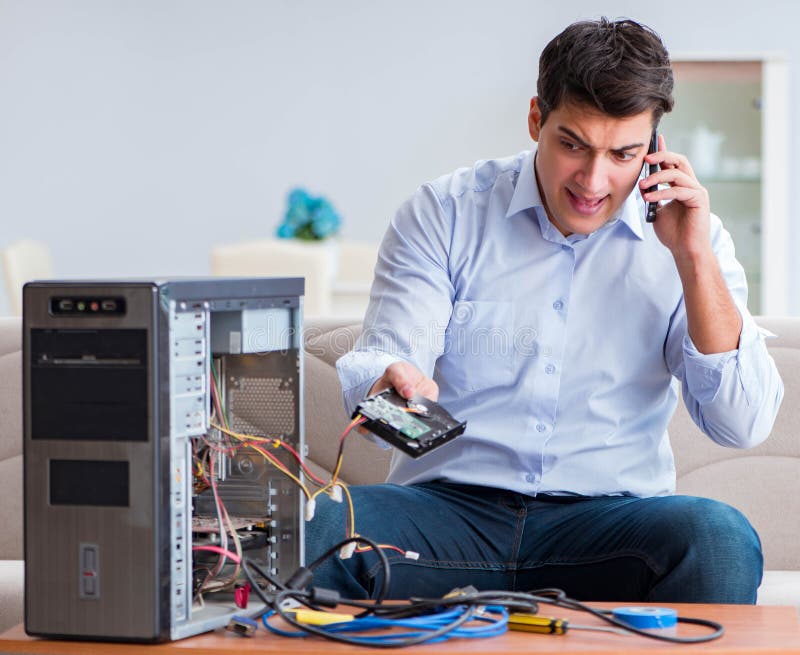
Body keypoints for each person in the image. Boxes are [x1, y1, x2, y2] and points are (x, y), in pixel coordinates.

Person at [305, 17, 784, 604]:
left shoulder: (694, 239)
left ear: (655, 147)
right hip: (446, 513)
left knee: (717, 539)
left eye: (623, 154)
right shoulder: (445, 213)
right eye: (572, 144)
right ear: (537, 118)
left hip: (608, 525)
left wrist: (693, 256)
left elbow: (742, 423)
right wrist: (389, 384)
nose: (593, 179)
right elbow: (391, 361)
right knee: (315, 529)